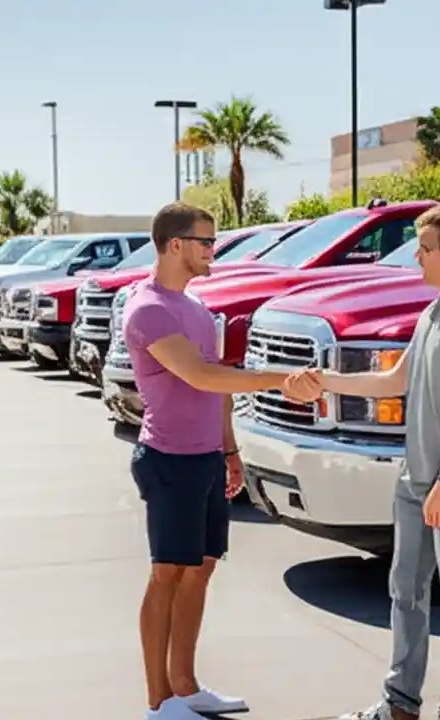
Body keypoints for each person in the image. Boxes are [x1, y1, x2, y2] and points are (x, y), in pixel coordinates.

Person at [287, 203, 440, 720]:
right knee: (405, 591)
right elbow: (393, 381)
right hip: (415, 479)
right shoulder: (434, 311)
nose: (416, 256)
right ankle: (400, 704)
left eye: (425, 248)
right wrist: (324, 381)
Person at [122, 202, 299, 720]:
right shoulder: (148, 309)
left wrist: (230, 450)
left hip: (204, 459)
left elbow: (217, 386)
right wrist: (279, 380)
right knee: (167, 575)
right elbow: (201, 376)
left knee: (199, 571)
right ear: (175, 245)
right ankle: (159, 702)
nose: (212, 251)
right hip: (167, 460)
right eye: (205, 242)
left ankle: (186, 685)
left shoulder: (197, 309)